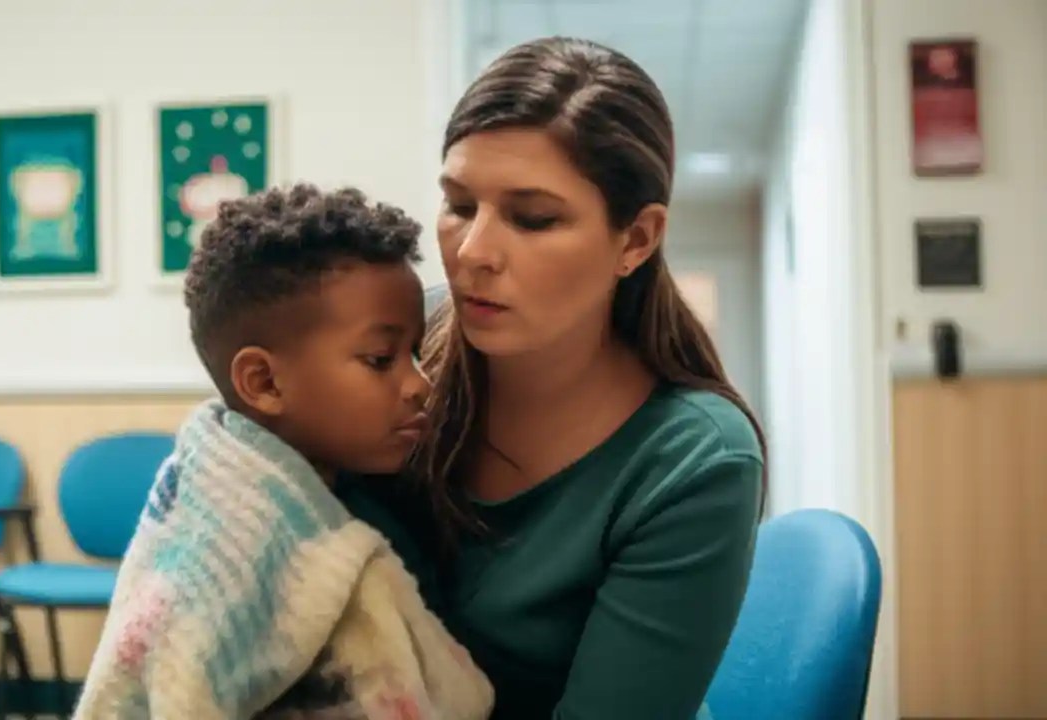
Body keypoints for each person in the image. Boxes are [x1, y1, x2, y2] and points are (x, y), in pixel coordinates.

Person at [338, 37, 766, 719]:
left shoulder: (694, 461)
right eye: (458, 204)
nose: (473, 251)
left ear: (635, 240)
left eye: (532, 218)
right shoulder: (400, 341)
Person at [73, 184, 493, 719]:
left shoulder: (359, 487)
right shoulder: (226, 539)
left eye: (414, 354)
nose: (419, 385)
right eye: (382, 358)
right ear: (264, 382)